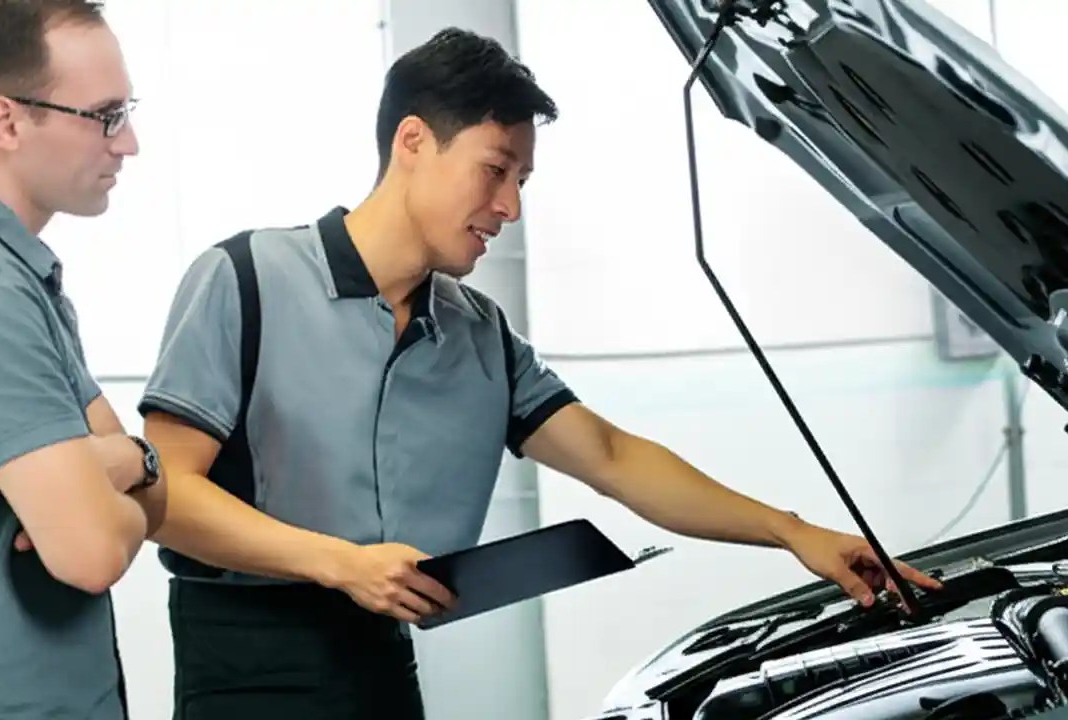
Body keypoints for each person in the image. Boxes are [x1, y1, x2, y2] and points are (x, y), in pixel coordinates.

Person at [139, 27, 942, 719]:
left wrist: (795, 533)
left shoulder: (479, 331)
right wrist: (342, 562)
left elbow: (614, 458)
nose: (511, 207)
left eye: (522, 181)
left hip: (382, 664)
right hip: (242, 668)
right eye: (496, 170)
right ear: (412, 142)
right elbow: (166, 495)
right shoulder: (243, 277)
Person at [0, 1, 168, 718]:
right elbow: (94, 550)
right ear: (6, 122)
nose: (128, 142)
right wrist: (128, 466)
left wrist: (126, 462)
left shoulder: (12, 273)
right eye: (105, 115)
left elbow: (140, 484)